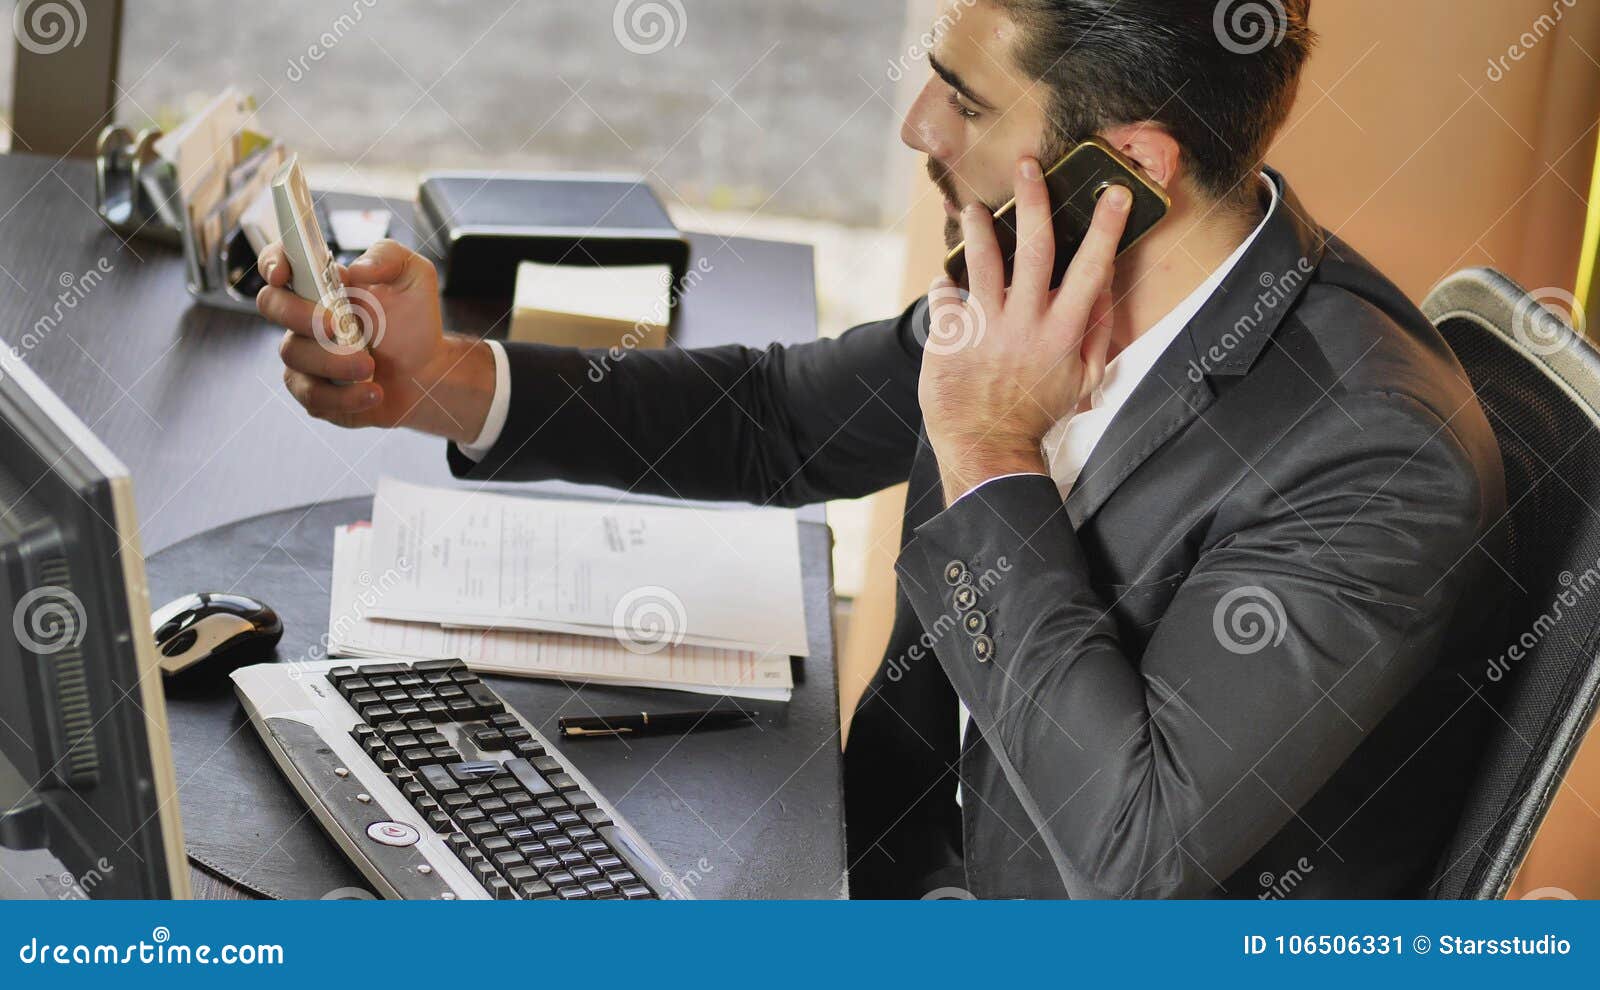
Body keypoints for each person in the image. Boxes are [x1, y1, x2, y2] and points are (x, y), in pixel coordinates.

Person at [258, 0, 1506, 898]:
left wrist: (987, 448)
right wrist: (444, 381)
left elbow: (1126, 855)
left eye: (964, 99)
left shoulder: (1373, 455)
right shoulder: (1049, 263)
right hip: (877, 861)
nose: (919, 126)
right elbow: (777, 418)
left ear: (1121, 168)